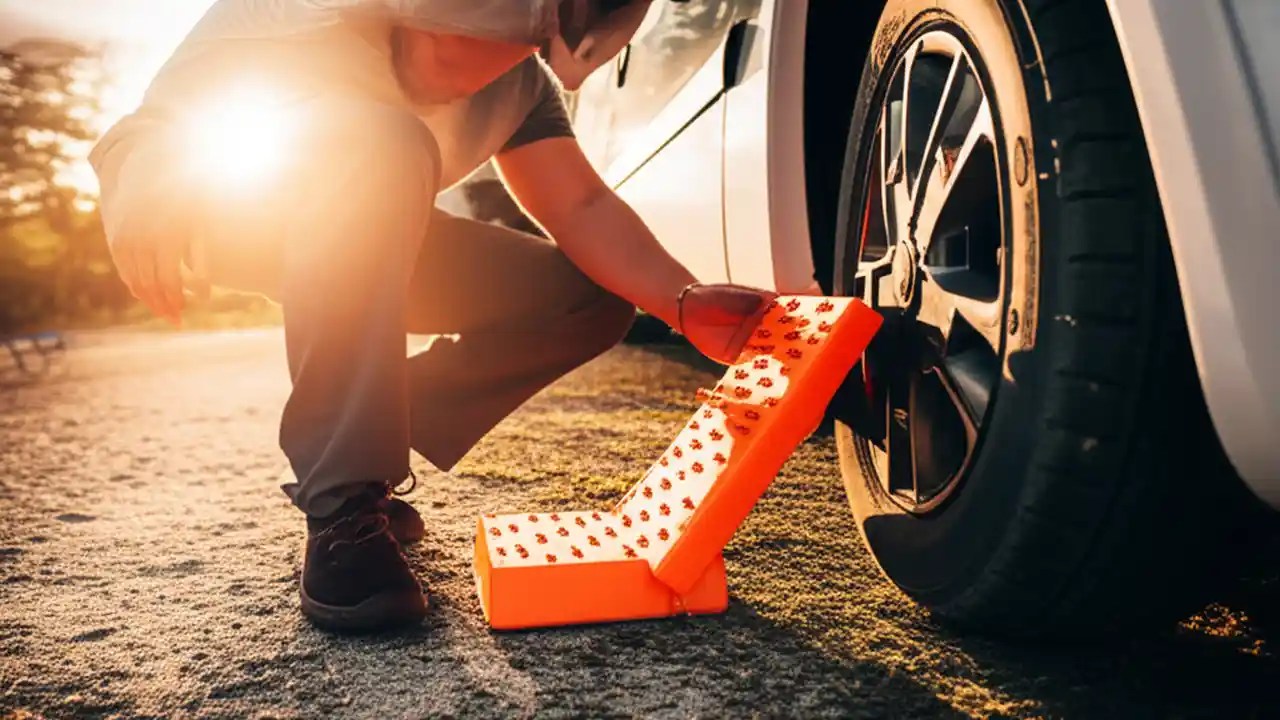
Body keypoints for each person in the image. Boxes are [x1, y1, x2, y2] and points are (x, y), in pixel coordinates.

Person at [90, 0, 777, 632]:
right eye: (454, 36)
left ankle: (364, 432)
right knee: (384, 140)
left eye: (511, 46)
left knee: (590, 297)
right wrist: (141, 184)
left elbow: (582, 208)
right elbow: (147, 124)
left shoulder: (521, 87)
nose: (469, 66)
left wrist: (686, 304)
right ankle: (341, 507)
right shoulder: (306, 17)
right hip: (242, 216)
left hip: (382, 222)